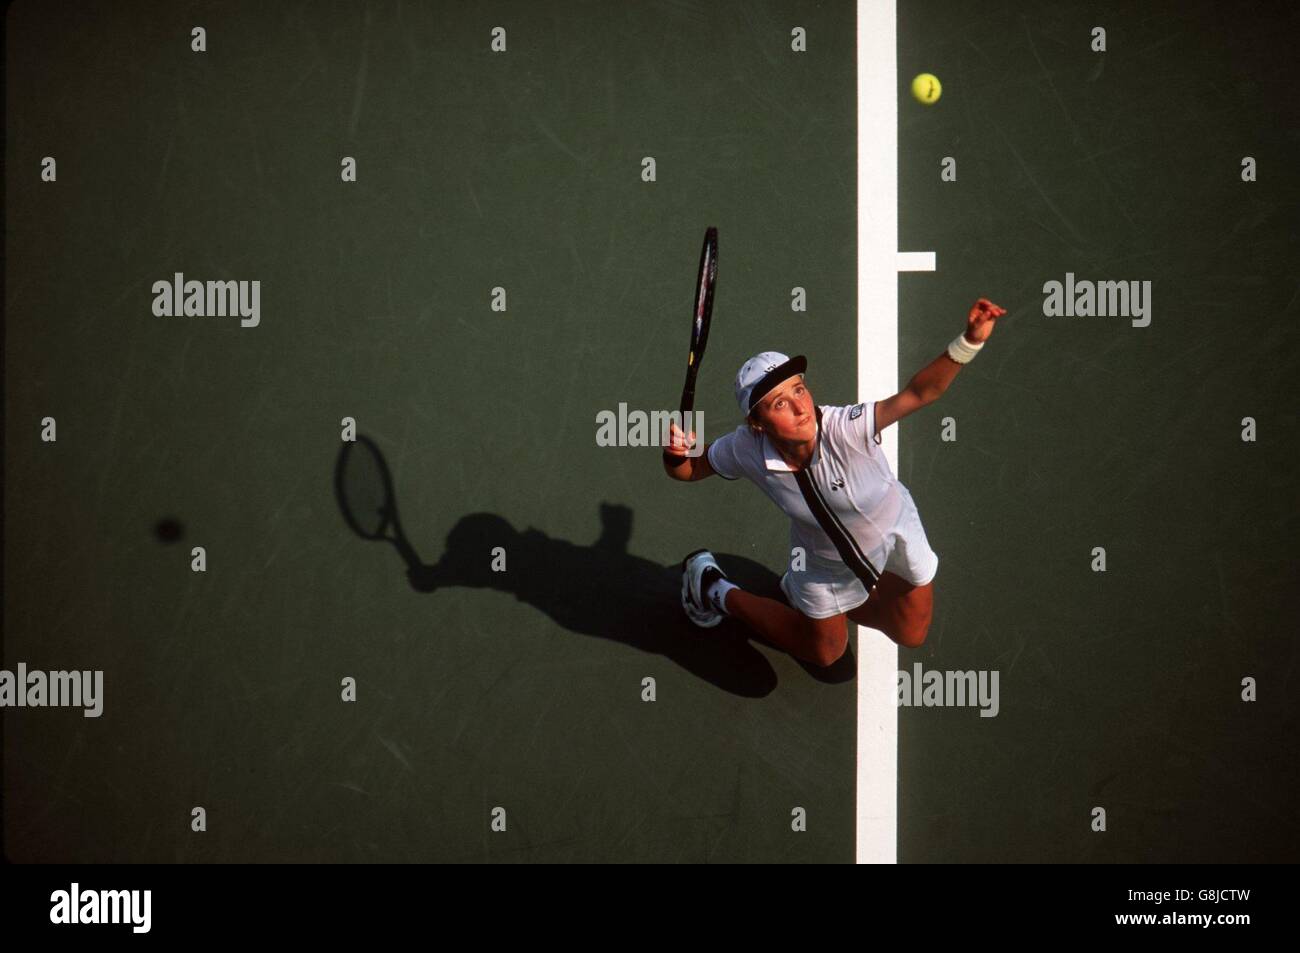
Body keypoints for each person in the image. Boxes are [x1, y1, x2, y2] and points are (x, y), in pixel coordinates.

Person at [663, 298, 1007, 667]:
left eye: (798, 389)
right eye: (779, 403)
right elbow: (687, 470)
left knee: (910, 634)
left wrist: (969, 341)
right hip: (823, 562)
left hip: (896, 536)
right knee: (824, 654)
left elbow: (921, 393)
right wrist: (674, 454)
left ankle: (825, 601)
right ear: (757, 423)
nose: (800, 407)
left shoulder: (848, 428)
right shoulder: (745, 448)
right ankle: (712, 588)